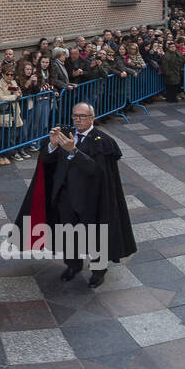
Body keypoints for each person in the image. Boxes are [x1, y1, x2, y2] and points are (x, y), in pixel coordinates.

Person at [19, 100, 137, 290]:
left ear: (92, 118)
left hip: (92, 200)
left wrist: (73, 151)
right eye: (75, 116)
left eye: (82, 116)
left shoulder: (103, 142)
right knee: (68, 234)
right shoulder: (65, 136)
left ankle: (99, 271)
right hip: (66, 197)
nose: (78, 120)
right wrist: (51, 145)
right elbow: (48, 162)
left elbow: (96, 171)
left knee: (95, 236)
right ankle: (73, 265)